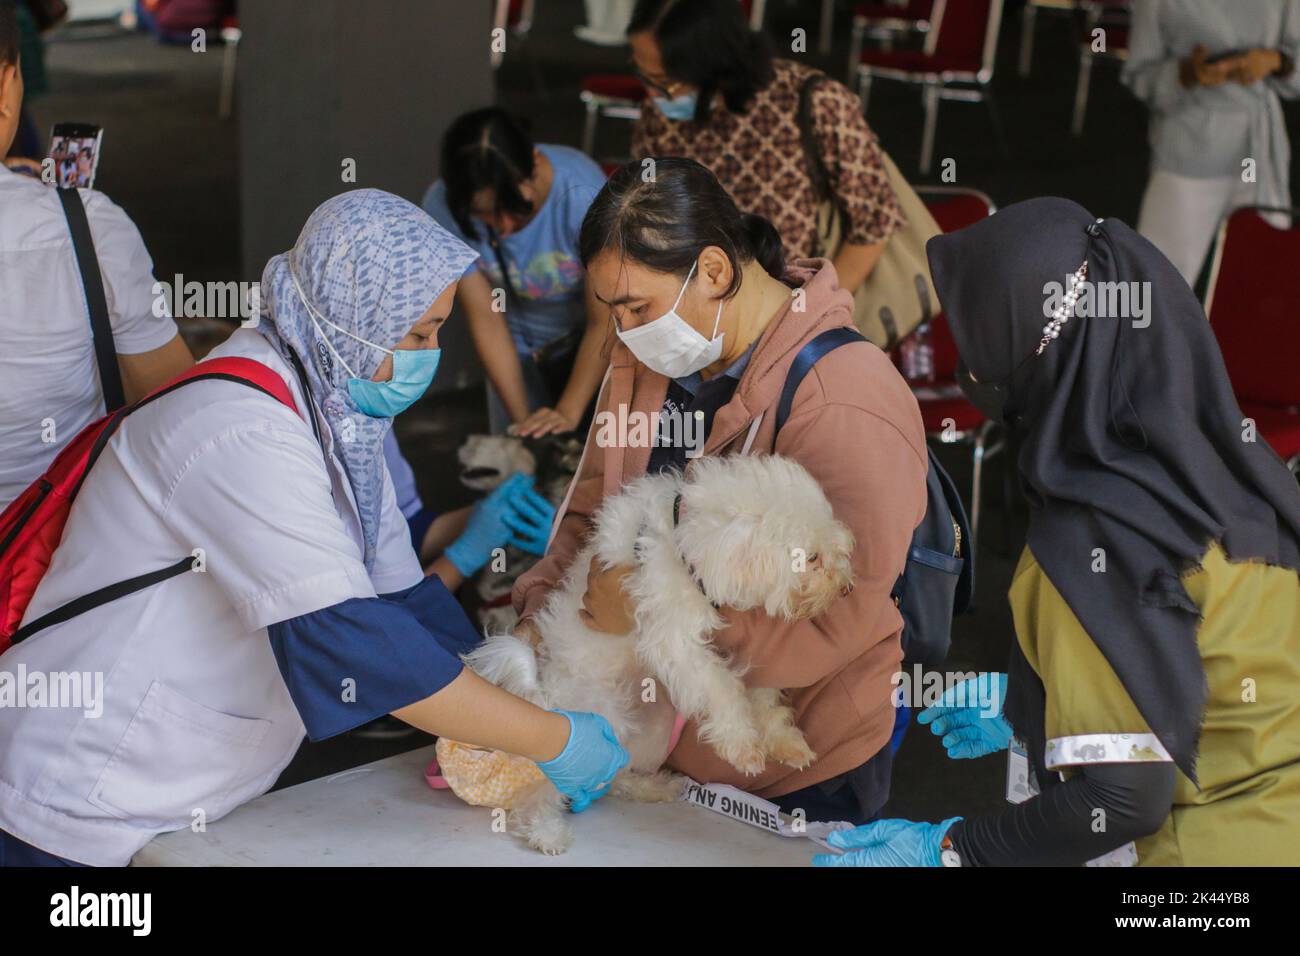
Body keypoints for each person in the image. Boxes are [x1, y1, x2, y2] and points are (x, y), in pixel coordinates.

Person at [0, 190, 627, 867]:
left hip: (175, 793)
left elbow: (401, 598)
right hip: (72, 795)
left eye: (439, 331)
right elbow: (347, 634)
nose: (430, 355)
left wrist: (504, 690)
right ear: (347, 319)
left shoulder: (339, 423)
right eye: (416, 335)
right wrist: (552, 739)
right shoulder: (234, 427)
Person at [816, 198, 1300, 867]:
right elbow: (1206, 657)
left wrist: (951, 847)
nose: (971, 374)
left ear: (1033, 363)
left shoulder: (1088, 544)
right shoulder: (1226, 465)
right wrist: (1038, 700)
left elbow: (1127, 799)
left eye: (980, 345)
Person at [512, 159, 928, 825]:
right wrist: (537, 625)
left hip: (789, 773)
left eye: (636, 308)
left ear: (713, 271)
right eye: (611, 312)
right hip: (645, 754)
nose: (621, 332)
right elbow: (590, 510)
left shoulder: (846, 401)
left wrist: (647, 617)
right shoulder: (646, 358)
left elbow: (836, 615)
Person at [0, 1, 195, 509]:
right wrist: (61, 209)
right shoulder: (88, 227)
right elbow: (178, 412)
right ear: (5, 88)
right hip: (51, 563)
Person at [628, 0, 903, 299]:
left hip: (799, 301)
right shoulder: (659, 117)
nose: (653, 95)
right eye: (646, 78)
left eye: (666, 82)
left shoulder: (812, 100)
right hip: (704, 306)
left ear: (713, 65)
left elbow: (874, 223)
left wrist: (814, 311)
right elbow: (651, 214)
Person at [422, 108, 611, 437]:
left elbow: (605, 318)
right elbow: (486, 318)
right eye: (486, 217)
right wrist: (526, 425)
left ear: (535, 164)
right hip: (517, 356)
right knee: (522, 462)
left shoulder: (583, 192)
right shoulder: (442, 205)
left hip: (591, 351)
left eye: (517, 209)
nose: (505, 229)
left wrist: (567, 411)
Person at [1124, 0, 1300, 285]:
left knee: (1258, 288)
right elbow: (1140, 74)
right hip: (1190, 148)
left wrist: (1278, 63)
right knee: (1157, 286)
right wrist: (1187, 74)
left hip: (1258, 153)